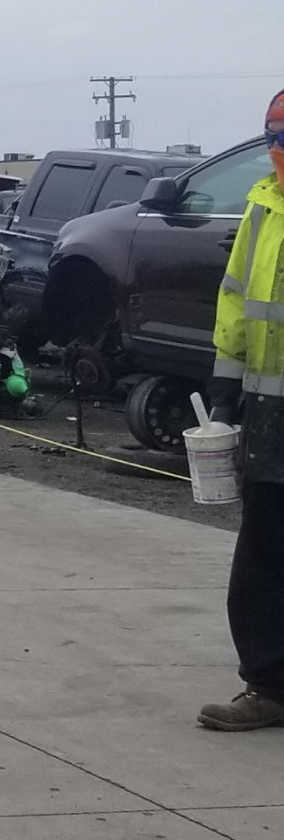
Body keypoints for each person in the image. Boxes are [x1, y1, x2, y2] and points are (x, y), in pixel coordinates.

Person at [198, 88, 284, 732]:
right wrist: (224, 394)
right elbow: (236, 304)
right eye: (273, 139)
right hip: (270, 411)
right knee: (264, 552)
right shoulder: (262, 206)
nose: (278, 153)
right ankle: (270, 685)